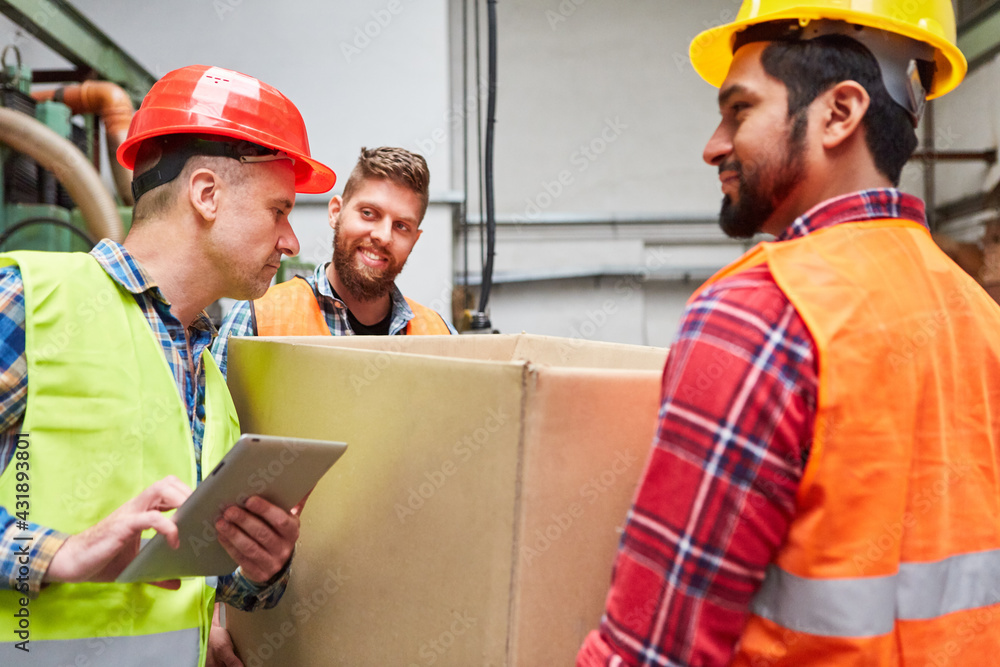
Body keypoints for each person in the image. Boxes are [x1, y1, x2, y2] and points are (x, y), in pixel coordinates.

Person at [579, 1, 1000, 665]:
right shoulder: (982, 321)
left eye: (739, 109)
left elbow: (658, 647)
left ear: (839, 112)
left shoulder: (762, 311)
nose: (713, 144)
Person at [0, 65, 336, 666]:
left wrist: (261, 567)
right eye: (278, 209)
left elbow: (208, 581)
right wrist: (59, 552)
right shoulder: (32, 300)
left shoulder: (209, 367)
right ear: (206, 194)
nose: (290, 241)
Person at [213, 146, 452, 375]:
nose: (383, 236)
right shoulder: (254, 320)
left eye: (402, 226)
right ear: (336, 212)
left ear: (415, 239)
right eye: (369, 213)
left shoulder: (444, 338)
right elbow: (214, 417)